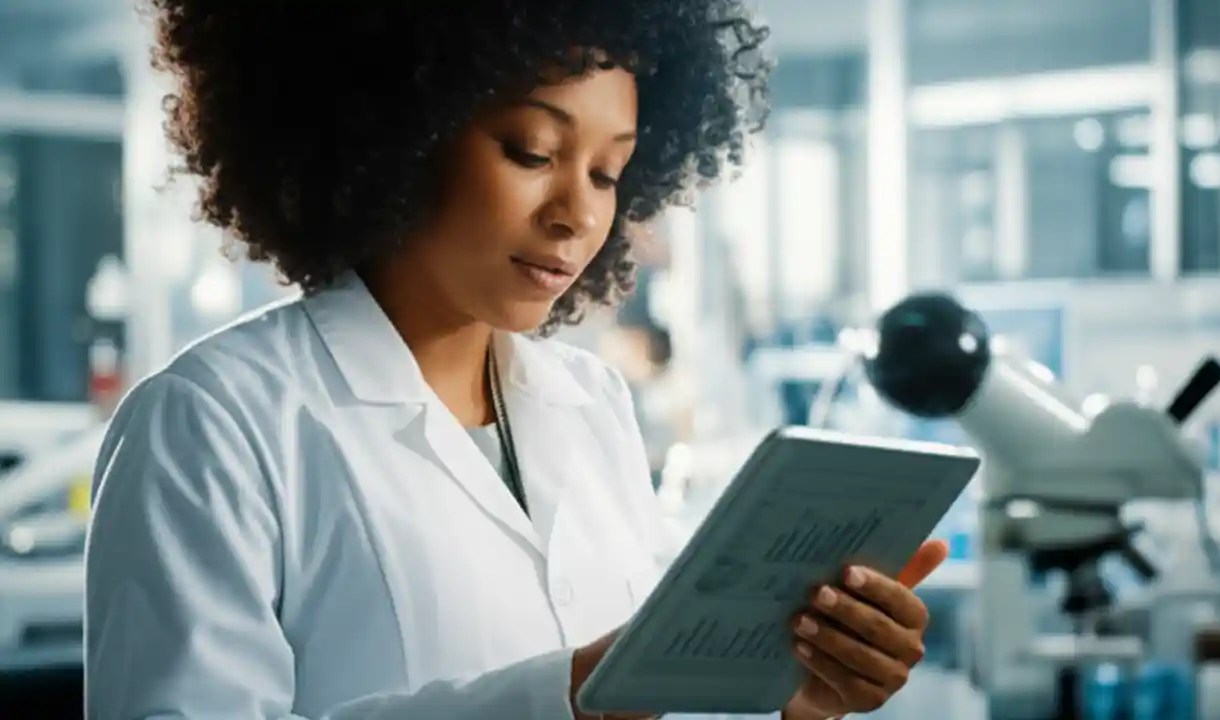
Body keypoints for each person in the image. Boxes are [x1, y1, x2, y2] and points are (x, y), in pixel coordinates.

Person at [84, 2, 950, 718]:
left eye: (610, 173)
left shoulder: (592, 403)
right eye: (533, 152)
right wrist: (560, 698)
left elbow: (648, 705)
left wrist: (797, 695)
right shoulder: (211, 420)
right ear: (395, 130)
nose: (577, 213)